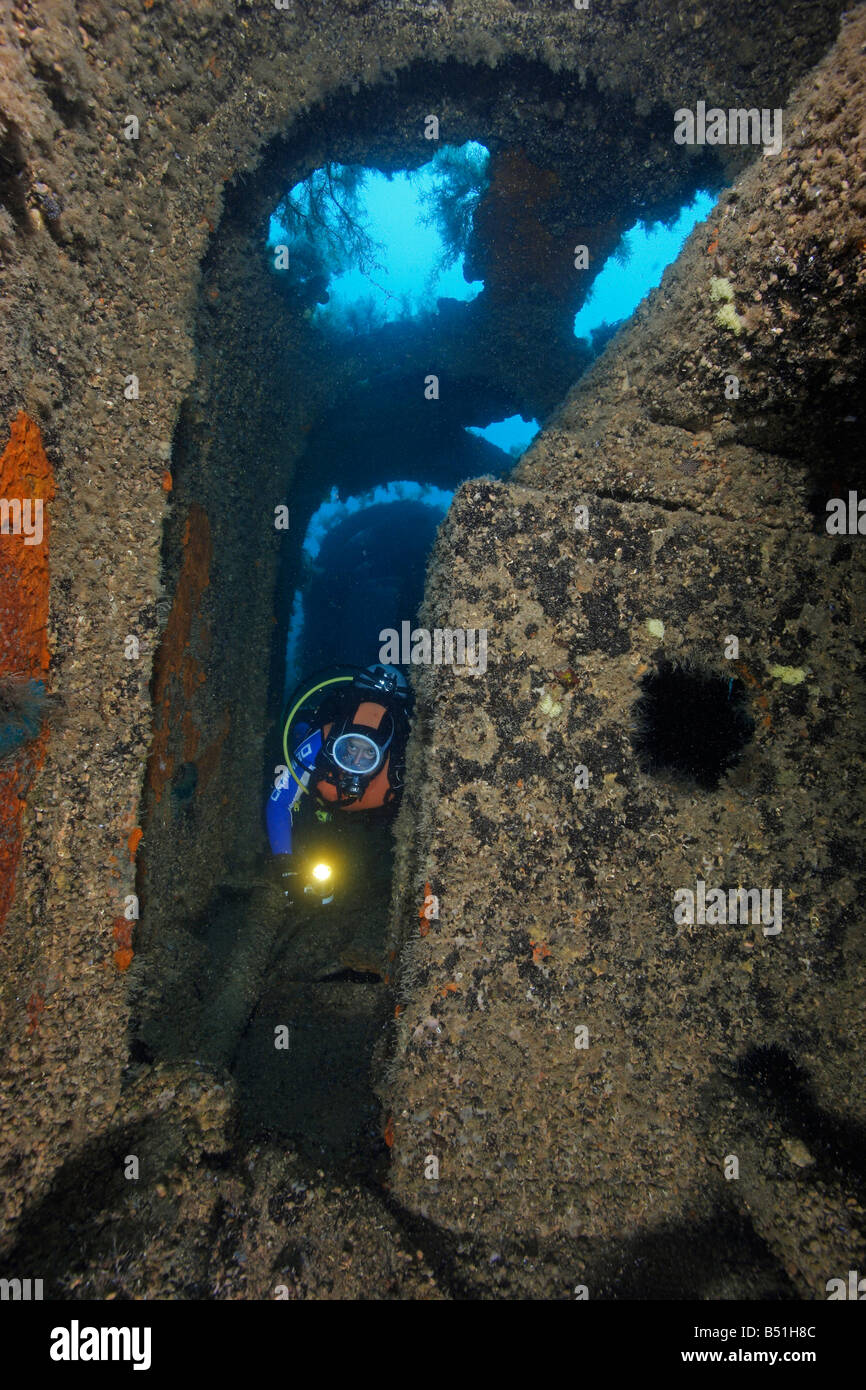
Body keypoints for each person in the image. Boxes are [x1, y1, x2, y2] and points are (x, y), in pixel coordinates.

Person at [266, 663, 411, 862]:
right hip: (318, 807)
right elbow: (279, 802)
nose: (357, 761)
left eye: (370, 752)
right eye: (351, 747)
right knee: (300, 736)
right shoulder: (322, 742)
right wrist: (284, 862)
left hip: (368, 825)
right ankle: (303, 725)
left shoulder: (402, 764)